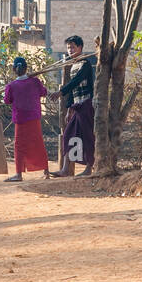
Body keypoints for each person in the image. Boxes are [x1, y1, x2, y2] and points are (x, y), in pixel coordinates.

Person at [50, 35, 94, 177]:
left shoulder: (85, 64)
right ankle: (65, 169)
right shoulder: (73, 65)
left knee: (88, 137)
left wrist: (60, 92)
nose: (70, 50)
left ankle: (89, 168)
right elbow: (73, 92)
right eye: (68, 47)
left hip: (86, 104)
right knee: (69, 134)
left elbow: (76, 82)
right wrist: (69, 109)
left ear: (80, 48)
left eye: (73, 47)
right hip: (77, 106)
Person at [2, 56, 51, 182]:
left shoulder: (11, 86)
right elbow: (44, 92)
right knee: (38, 143)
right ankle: (46, 171)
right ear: (26, 68)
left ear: (14, 69)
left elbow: (7, 100)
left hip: (21, 119)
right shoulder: (35, 82)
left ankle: (18, 174)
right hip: (34, 118)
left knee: (19, 146)